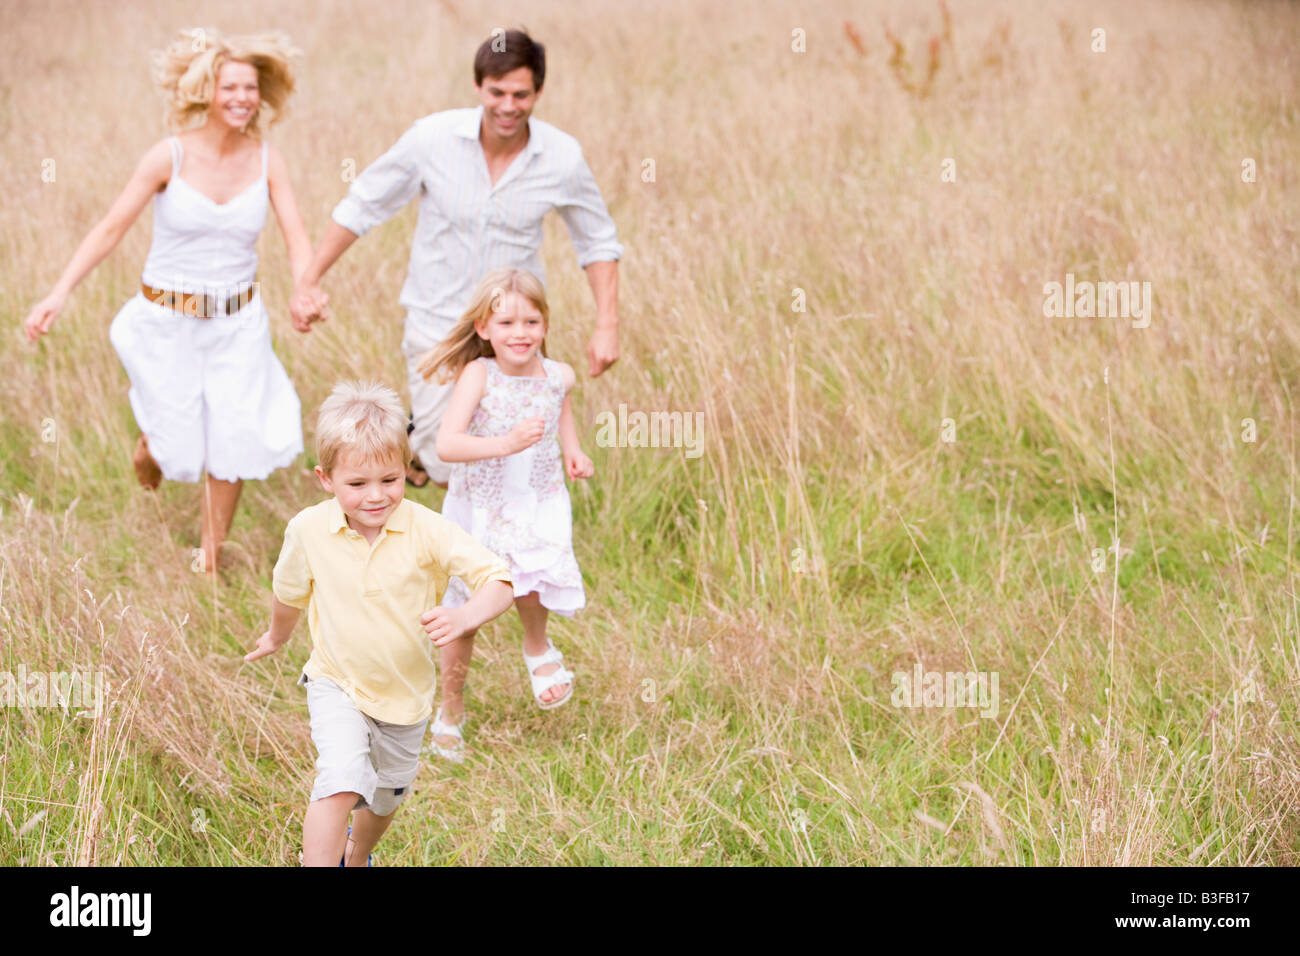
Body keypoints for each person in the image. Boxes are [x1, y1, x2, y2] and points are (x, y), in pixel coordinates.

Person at [23, 28, 311, 573]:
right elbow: (111, 228)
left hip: (237, 321)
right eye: (230, 87)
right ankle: (150, 444)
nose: (242, 98)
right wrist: (58, 292)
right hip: (165, 321)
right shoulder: (169, 157)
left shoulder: (269, 160)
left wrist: (305, 285)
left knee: (231, 440)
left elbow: (296, 233)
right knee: (174, 450)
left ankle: (208, 556)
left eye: (250, 88)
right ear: (207, 90)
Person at [289, 28, 622, 490]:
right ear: (478, 87)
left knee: (505, 453)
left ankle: (487, 553)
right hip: (437, 320)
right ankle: (420, 452)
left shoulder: (561, 157)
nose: (508, 106)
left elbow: (598, 240)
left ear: (539, 93)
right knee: (447, 453)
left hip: (512, 328)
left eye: (521, 95)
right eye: (497, 92)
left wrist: (607, 323)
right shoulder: (432, 138)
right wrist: (310, 280)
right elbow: (365, 203)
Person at [244, 381, 514, 866]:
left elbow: (498, 580)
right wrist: (276, 636)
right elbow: (288, 595)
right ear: (326, 479)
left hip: (405, 700)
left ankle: (356, 854)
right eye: (357, 484)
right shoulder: (308, 530)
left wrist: (463, 615)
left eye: (389, 480)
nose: (375, 496)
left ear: (407, 471)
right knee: (341, 779)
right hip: (337, 681)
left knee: (385, 798)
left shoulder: (426, 528)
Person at [419, 268, 593, 761]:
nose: (520, 334)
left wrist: (574, 451)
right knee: (466, 615)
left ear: (546, 325)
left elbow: (560, 410)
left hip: (538, 499)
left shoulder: (559, 375)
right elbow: (447, 445)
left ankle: (537, 649)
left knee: (532, 580)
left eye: (532, 322)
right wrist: (505, 443)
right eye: (507, 323)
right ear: (483, 329)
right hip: (482, 507)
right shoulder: (480, 375)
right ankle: (450, 710)